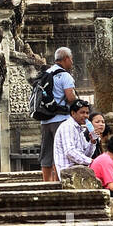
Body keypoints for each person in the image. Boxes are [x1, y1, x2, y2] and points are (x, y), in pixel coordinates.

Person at [39, 46, 77, 181]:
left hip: (45, 119)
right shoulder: (65, 75)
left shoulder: (46, 73)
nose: (72, 63)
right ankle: (57, 182)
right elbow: (70, 97)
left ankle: (46, 183)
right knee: (59, 151)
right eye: (71, 60)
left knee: (46, 153)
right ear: (66, 59)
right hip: (60, 119)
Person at [51, 98, 95, 174]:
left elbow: (85, 154)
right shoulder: (68, 126)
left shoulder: (79, 129)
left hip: (79, 169)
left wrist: (92, 142)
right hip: (69, 172)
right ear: (73, 113)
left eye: (87, 113)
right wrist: (91, 161)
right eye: (82, 112)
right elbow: (70, 151)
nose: (86, 116)